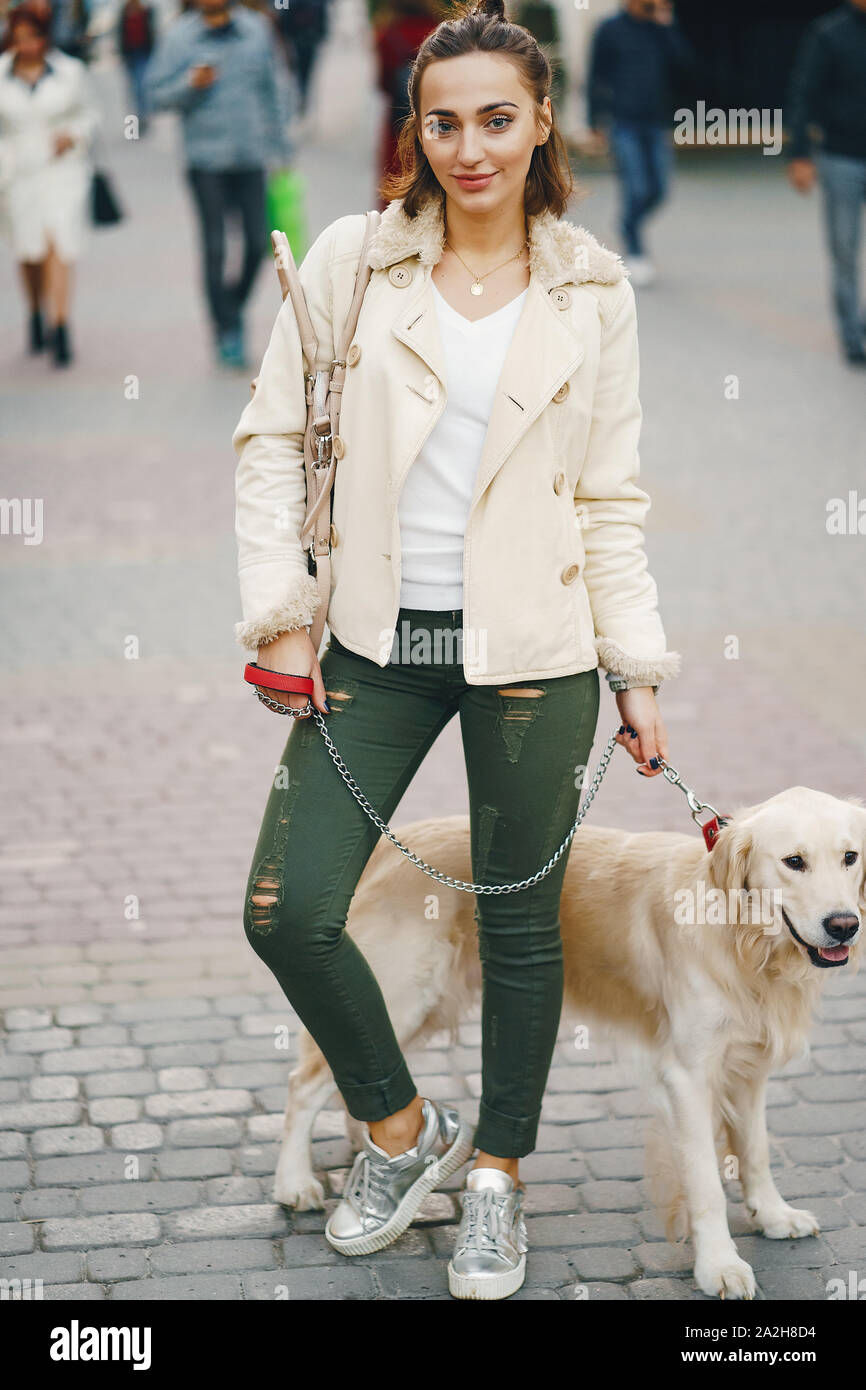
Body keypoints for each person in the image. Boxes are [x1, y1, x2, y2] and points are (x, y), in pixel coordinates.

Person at [231, 0, 681, 1301]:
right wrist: (281, 611)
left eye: (496, 118)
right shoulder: (354, 262)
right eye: (443, 122)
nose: (469, 146)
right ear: (414, 129)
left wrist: (635, 668)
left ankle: (497, 1175)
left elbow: (610, 493)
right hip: (370, 643)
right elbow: (271, 438)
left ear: (540, 119)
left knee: (520, 922)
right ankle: (398, 1126)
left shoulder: (590, 286)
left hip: (533, 649)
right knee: (288, 905)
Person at [143, 0, 293, 368]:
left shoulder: (256, 29)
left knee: (259, 242)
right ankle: (226, 328)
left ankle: (231, 308)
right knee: (215, 247)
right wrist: (188, 84)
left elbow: (275, 87)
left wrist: (282, 146)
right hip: (205, 159)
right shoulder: (179, 37)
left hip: (250, 156)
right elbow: (155, 95)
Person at [0, 2, 101, 365]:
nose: (27, 45)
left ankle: (61, 326)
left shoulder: (69, 72)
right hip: (17, 176)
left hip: (62, 172)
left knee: (59, 244)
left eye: (34, 37)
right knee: (30, 251)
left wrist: (73, 135)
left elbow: (91, 116)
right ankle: (35, 312)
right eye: (21, 38)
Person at [586, 0, 694, 286]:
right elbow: (596, 75)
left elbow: (684, 66)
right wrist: (594, 120)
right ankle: (635, 248)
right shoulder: (609, 29)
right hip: (623, 123)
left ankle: (627, 224)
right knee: (636, 187)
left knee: (658, 190)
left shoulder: (657, 29)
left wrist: (666, 25)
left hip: (655, 123)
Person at [786, 0, 866, 366]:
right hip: (841, 158)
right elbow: (804, 94)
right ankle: (853, 337)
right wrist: (800, 155)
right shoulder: (828, 34)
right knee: (844, 249)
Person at [372, 0, 442, 203]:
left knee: (396, 171)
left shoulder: (388, 34)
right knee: (430, 165)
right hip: (433, 115)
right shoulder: (438, 32)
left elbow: (382, 84)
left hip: (397, 117)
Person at [116, 0, 156, 135]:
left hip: (143, 53)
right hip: (130, 54)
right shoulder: (124, 11)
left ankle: (142, 115)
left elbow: (151, 31)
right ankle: (136, 119)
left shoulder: (146, 11)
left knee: (141, 85)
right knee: (133, 88)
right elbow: (120, 33)